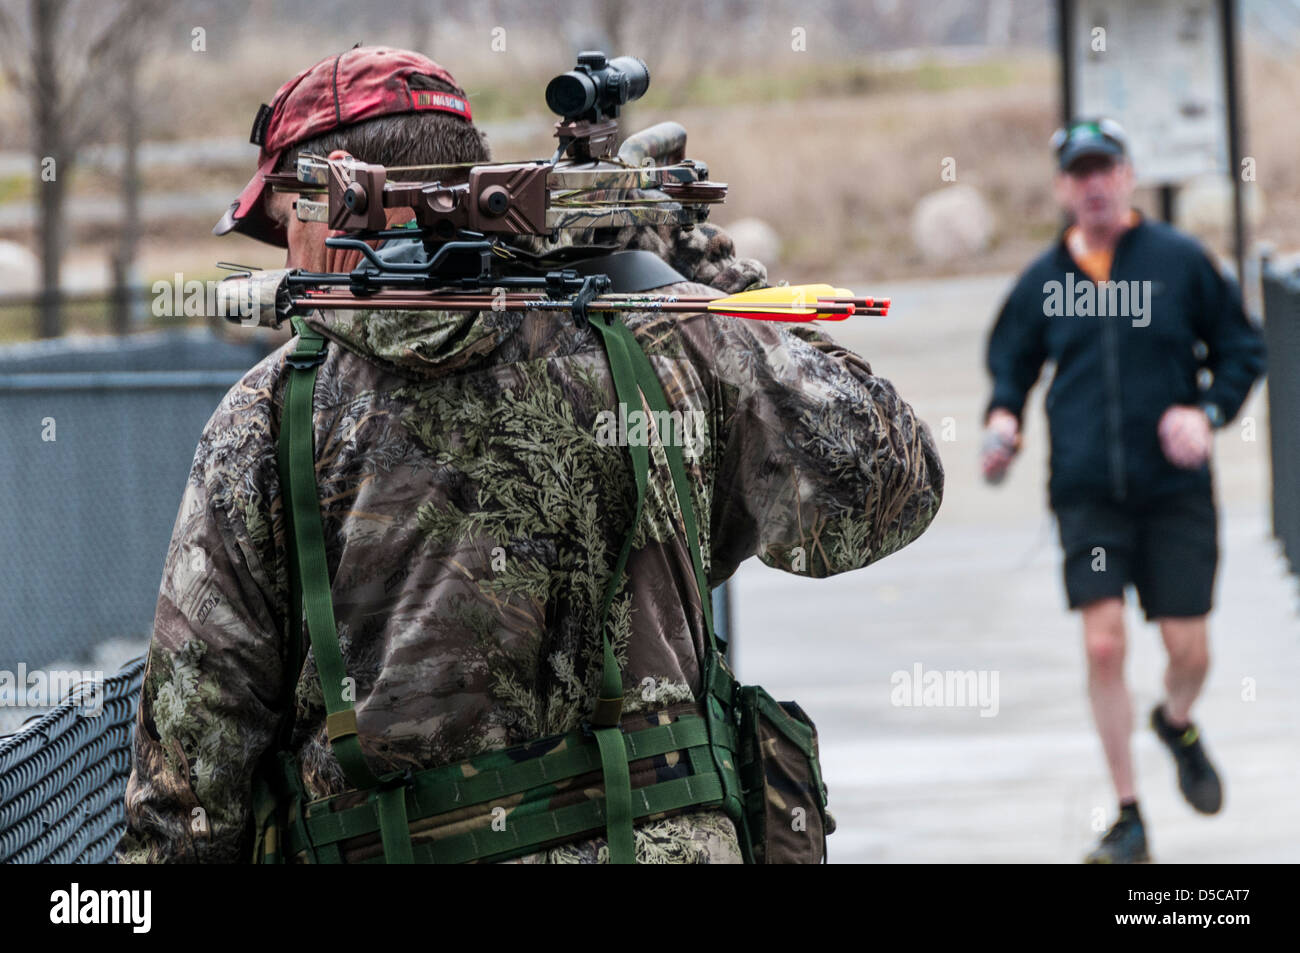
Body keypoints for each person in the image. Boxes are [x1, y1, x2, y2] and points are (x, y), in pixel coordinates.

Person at [116, 46, 945, 863]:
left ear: (335, 197)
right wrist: (695, 269)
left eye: (285, 221)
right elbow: (890, 484)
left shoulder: (265, 419)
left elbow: (189, 798)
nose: (286, 260)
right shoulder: (668, 338)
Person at [981, 118, 1265, 863]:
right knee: (1104, 644)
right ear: (1062, 188)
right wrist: (1001, 421)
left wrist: (1205, 412)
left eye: (1105, 168)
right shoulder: (1044, 280)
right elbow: (1011, 366)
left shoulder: (1179, 262)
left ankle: (1175, 721)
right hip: (1088, 496)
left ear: (1130, 176)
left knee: (1188, 649)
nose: (1095, 183)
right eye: (1080, 172)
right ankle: (1130, 814)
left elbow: (1243, 350)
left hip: (1174, 493)